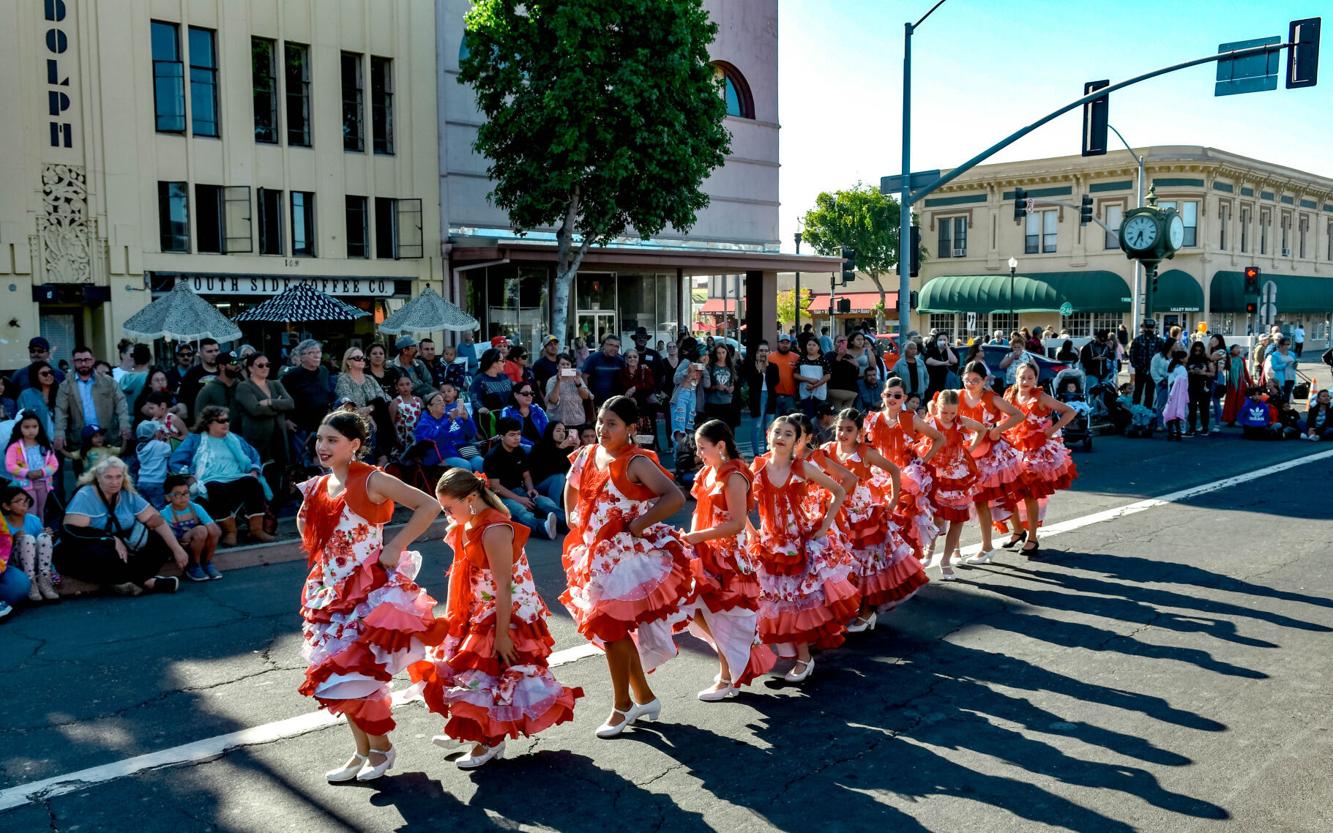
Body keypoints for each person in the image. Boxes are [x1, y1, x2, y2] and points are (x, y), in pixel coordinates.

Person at [296, 411, 444, 783]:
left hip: (369, 591)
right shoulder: (317, 486)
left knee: (359, 675)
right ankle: (362, 750)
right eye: (319, 439)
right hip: (330, 593)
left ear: (354, 445)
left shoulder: (373, 480)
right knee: (337, 677)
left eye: (332, 440)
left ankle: (380, 748)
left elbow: (429, 505)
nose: (323, 447)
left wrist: (395, 545)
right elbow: (305, 521)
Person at [413, 468, 582, 769]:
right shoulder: (469, 522)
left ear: (472, 498)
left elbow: (504, 585)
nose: (447, 513)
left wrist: (502, 633)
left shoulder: (495, 529)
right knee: (468, 670)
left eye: (449, 507)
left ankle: (489, 741)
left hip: (505, 612)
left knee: (489, 674)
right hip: (479, 607)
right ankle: (472, 729)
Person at [561, 396, 690, 736]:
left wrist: (637, 525)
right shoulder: (588, 453)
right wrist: (573, 519)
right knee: (613, 630)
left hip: (624, 559)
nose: (602, 428)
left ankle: (623, 706)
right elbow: (571, 485)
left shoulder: (636, 461)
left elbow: (674, 497)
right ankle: (644, 697)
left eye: (612, 423)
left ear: (631, 429)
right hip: (593, 554)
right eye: (601, 420)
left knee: (609, 627)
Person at [748, 414, 857, 683]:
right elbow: (739, 504)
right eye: (777, 432)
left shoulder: (801, 468)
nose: (781, 438)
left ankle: (804, 658)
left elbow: (838, 491)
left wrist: (824, 527)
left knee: (797, 602)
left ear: (798, 441)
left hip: (799, 543)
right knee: (777, 602)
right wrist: (752, 534)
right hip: (770, 544)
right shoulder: (757, 468)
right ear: (768, 436)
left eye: (788, 434)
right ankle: (793, 654)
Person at [681, 420, 776, 700]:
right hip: (704, 549)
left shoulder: (734, 476)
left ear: (720, 446)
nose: (699, 453)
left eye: (702, 447)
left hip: (725, 555)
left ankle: (728, 676)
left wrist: (697, 537)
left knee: (720, 617)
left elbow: (735, 522)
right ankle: (731, 664)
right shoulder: (710, 471)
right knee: (695, 609)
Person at [824, 409, 925, 631]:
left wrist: (892, 500)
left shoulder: (865, 453)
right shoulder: (828, 450)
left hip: (862, 516)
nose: (842, 434)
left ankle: (867, 612)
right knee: (844, 566)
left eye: (849, 430)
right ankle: (851, 612)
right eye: (840, 429)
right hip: (837, 516)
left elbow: (894, 471)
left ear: (859, 432)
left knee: (866, 566)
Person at [54, 456, 188, 595]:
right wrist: (109, 539)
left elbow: (156, 520)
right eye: (109, 477)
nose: (115, 482)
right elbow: (71, 532)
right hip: (82, 547)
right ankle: (147, 581)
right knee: (104, 553)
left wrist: (177, 549)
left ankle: (125, 581)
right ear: (98, 478)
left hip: (122, 546)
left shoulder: (127, 495)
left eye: (118, 477)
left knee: (160, 541)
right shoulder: (85, 495)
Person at [864, 377, 944, 562]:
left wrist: (923, 460)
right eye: (888, 394)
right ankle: (890, 567)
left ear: (904, 398)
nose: (892, 398)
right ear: (882, 395)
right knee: (881, 523)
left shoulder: (910, 418)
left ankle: (908, 563)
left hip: (905, 478)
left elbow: (939, 438)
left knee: (904, 522)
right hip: (878, 477)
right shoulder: (872, 419)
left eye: (897, 395)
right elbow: (863, 446)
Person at [1002, 362, 1077, 557]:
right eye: (1022, 377)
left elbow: (1070, 411)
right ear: (1015, 377)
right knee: (1007, 491)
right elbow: (1002, 418)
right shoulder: (1009, 394)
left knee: (1029, 493)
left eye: (1030, 378)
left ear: (1035, 379)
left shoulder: (1041, 397)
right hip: (1012, 447)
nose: (1025, 381)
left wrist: (1051, 431)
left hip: (1034, 451)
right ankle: (1018, 530)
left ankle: (1032, 538)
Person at [956, 361, 1025, 565]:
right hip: (966, 451)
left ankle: (986, 547)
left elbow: (1018, 415)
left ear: (985, 380)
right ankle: (1018, 530)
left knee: (982, 499)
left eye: (975, 380)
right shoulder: (958, 395)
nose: (970, 384)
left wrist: (998, 429)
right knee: (987, 498)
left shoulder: (990, 397)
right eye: (967, 380)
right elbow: (938, 408)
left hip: (989, 454)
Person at [173, 406, 273, 546]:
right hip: (211, 479)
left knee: (252, 483)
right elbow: (176, 461)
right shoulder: (195, 440)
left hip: (237, 476)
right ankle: (230, 532)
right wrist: (189, 478)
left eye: (227, 420)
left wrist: (254, 471)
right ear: (208, 423)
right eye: (221, 421)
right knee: (215, 488)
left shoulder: (235, 439)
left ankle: (256, 530)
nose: (226, 423)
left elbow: (253, 455)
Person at [920, 391, 986, 581]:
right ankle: (929, 551)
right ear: (937, 408)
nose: (949, 417)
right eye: (945, 412)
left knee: (958, 519)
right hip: (937, 474)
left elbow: (981, 429)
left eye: (952, 413)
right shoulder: (931, 423)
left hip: (958, 474)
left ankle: (946, 560)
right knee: (937, 518)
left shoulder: (961, 421)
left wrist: (970, 449)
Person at [483, 418, 560, 540]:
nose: (517, 438)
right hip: (501, 497)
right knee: (520, 511)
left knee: (544, 502)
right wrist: (519, 499)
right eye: (512, 435)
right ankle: (543, 528)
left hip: (520, 490)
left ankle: (567, 524)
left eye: (518, 434)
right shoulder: (493, 456)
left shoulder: (519, 451)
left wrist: (530, 489)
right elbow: (495, 486)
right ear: (501, 436)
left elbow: (526, 475)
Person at [54, 346, 131, 456]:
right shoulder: (65, 385)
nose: (83, 364)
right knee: (83, 473)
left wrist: (124, 424)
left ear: (93, 360)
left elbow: (121, 403)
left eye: (87, 360)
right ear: (73, 362)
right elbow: (61, 411)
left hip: (107, 439)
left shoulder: (108, 381)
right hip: (80, 442)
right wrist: (59, 433)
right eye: (79, 361)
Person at [235, 352, 294, 480]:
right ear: (250, 368)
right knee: (261, 476)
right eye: (260, 365)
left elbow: (290, 403)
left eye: (267, 365)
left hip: (279, 438)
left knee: (281, 476)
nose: (265, 368)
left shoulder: (275, 384)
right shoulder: (244, 386)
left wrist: (270, 402)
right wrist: (279, 406)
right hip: (257, 439)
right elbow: (255, 409)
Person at [160, 474, 222, 582]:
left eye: (186, 493)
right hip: (179, 547)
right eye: (177, 494)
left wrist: (213, 532)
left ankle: (207, 562)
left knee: (212, 530)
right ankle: (194, 565)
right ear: (168, 497)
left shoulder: (196, 507)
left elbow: (213, 529)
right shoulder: (165, 514)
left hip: (197, 543)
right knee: (201, 530)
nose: (183, 497)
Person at [1, 485, 58, 602]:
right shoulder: (3, 523)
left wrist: (47, 534)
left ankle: (44, 580)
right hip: (15, 564)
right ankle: (30, 582)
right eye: (18, 501)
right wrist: (12, 539)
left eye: (26, 500)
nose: (24, 504)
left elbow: (41, 544)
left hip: (36, 562)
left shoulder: (33, 519)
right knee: (27, 539)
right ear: (6, 506)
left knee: (44, 537)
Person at [412, 390, 483, 473]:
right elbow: (436, 439)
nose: (443, 404)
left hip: (463, 452)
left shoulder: (450, 417)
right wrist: (448, 422)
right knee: (465, 465)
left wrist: (466, 420)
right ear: (429, 407)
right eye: (439, 401)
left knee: (481, 463)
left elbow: (471, 434)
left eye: (443, 401)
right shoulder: (424, 424)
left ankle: (486, 486)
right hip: (441, 457)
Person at [5, 412, 58, 521]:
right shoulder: (15, 447)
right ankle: (29, 536)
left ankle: (41, 535)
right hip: (25, 484)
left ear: (39, 427)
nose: (31, 430)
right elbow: (10, 465)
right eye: (26, 427)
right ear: (19, 428)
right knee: (30, 511)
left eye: (34, 426)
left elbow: (54, 464)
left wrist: (42, 472)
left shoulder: (45, 445)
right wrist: (26, 473)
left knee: (40, 510)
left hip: (43, 483)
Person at [529, 421, 577, 506]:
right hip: (540, 484)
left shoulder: (566, 449)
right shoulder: (539, 447)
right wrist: (561, 448)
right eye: (558, 431)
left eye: (563, 431)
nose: (562, 434)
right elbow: (549, 469)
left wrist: (575, 449)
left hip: (559, 484)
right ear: (550, 432)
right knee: (559, 477)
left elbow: (568, 469)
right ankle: (555, 511)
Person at [743, 341, 778, 457]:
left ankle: (767, 451)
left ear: (769, 352)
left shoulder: (773, 366)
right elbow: (751, 382)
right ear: (757, 352)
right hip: (757, 398)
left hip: (770, 397)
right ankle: (756, 453)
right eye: (761, 350)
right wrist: (758, 371)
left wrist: (766, 367)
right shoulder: (751, 365)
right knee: (756, 426)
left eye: (765, 351)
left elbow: (775, 382)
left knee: (768, 427)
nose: (763, 353)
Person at [193, 351, 242, 429]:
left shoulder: (243, 387)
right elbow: (199, 418)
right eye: (233, 363)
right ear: (222, 367)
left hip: (241, 437)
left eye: (238, 362)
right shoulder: (208, 390)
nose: (237, 365)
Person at [469, 348, 514, 433]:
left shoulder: (505, 377)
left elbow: (513, 395)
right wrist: (481, 408)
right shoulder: (479, 380)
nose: (504, 363)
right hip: (489, 422)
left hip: (508, 419)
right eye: (502, 361)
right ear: (494, 363)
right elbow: (474, 398)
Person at [544, 354, 592, 431]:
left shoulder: (576, 377)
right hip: (558, 422)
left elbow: (586, 396)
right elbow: (553, 400)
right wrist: (558, 381)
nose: (566, 367)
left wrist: (578, 384)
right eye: (562, 364)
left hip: (577, 421)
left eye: (568, 364)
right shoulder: (552, 380)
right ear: (557, 366)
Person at [498, 382, 549, 452]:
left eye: (531, 393)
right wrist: (534, 447)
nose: (529, 396)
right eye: (525, 393)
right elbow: (508, 436)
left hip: (541, 447)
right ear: (515, 395)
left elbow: (548, 431)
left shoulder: (538, 410)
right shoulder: (507, 411)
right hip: (518, 448)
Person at [177, 339, 221, 420]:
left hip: (222, 419)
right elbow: (182, 398)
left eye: (216, 350)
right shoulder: (192, 374)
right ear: (200, 354)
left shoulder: (225, 371)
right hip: (198, 420)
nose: (214, 354)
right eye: (209, 351)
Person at [18, 361, 60, 441]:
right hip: (36, 442)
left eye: (51, 372)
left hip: (60, 441)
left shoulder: (60, 391)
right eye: (44, 374)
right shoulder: (25, 395)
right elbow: (20, 420)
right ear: (35, 376)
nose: (49, 375)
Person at [134, 420, 172, 508]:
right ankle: (163, 521)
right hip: (156, 482)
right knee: (160, 507)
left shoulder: (139, 448)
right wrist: (168, 438)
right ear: (155, 433)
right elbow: (171, 449)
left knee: (145, 508)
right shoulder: (160, 446)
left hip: (142, 481)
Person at [581, 334, 627, 406]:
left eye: (616, 346)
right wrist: (587, 396)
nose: (614, 348)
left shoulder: (620, 361)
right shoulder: (593, 358)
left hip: (614, 403)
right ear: (604, 345)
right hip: (595, 402)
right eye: (611, 345)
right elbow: (584, 377)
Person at [1184, 341, 1216, 437]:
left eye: (1199, 350)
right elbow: (1183, 370)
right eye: (1195, 349)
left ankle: (1205, 428)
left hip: (1204, 386)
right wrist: (1191, 371)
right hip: (1192, 386)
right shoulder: (1189, 359)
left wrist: (1204, 373)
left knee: (1204, 408)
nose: (1197, 351)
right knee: (1192, 408)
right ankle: (1192, 428)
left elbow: (1213, 373)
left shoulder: (1207, 360)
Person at [388, 374, 425, 455]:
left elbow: (423, 420)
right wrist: (396, 440)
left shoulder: (418, 401)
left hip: (417, 436)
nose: (405, 387)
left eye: (407, 384)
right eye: (401, 385)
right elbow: (391, 424)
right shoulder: (395, 402)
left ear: (412, 385)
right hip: (401, 438)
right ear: (396, 387)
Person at [703, 343, 738, 427]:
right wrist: (716, 387)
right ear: (715, 354)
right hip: (713, 403)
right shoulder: (711, 367)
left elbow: (733, 383)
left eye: (723, 352)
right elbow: (706, 386)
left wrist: (732, 388)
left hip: (727, 403)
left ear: (727, 353)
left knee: (727, 429)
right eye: (718, 353)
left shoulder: (730, 366)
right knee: (714, 430)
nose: (721, 355)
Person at [796, 338, 830, 419]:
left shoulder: (823, 360)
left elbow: (827, 376)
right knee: (808, 417)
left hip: (819, 393)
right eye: (809, 345)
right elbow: (795, 374)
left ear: (818, 347)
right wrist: (809, 379)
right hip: (805, 393)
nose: (811, 347)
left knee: (820, 418)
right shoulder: (801, 359)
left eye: (814, 345)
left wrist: (815, 386)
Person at [1161, 348, 1190, 440]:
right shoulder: (1182, 368)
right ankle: (1178, 432)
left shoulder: (1172, 367)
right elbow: (1183, 381)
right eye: (1185, 357)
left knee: (1170, 412)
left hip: (1171, 393)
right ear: (1181, 359)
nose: (1187, 359)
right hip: (1179, 394)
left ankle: (1170, 432)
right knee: (1178, 412)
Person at [1221, 344, 1252, 426]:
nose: (1238, 350)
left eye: (1239, 348)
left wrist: (1250, 382)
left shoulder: (1242, 359)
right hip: (1231, 384)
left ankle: (1241, 419)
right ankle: (1230, 419)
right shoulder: (1228, 359)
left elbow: (1245, 372)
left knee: (1241, 402)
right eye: (1236, 348)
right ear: (1231, 350)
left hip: (1241, 384)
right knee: (1231, 402)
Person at [769, 334, 801, 415]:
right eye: (782, 342)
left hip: (790, 397)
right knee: (775, 423)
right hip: (774, 396)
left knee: (791, 422)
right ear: (778, 343)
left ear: (790, 344)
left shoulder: (797, 358)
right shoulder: (770, 357)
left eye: (787, 343)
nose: (785, 345)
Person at [923, 332, 959, 400]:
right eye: (940, 339)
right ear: (936, 341)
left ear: (947, 341)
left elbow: (954, 361)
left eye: (944, 339)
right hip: (933, 383)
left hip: (947, 383)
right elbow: (928, 361)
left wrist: (947, 347)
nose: (942, 341)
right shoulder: (932, 350)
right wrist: (944, 363)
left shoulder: (952, 350)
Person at [1264, 336, 1298, 405]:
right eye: (1286, 344)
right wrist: (1285, 364)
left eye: (1289, 344)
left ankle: (1286, 412)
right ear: (1281, 345)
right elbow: (1275, 367)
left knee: (1287, 397)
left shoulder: (1292, 354)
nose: (1287, 346)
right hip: (1280, 379)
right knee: (1281, 397)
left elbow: (1294, 365)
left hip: (1290, 377)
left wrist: (1295, 365)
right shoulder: (1275, 355)